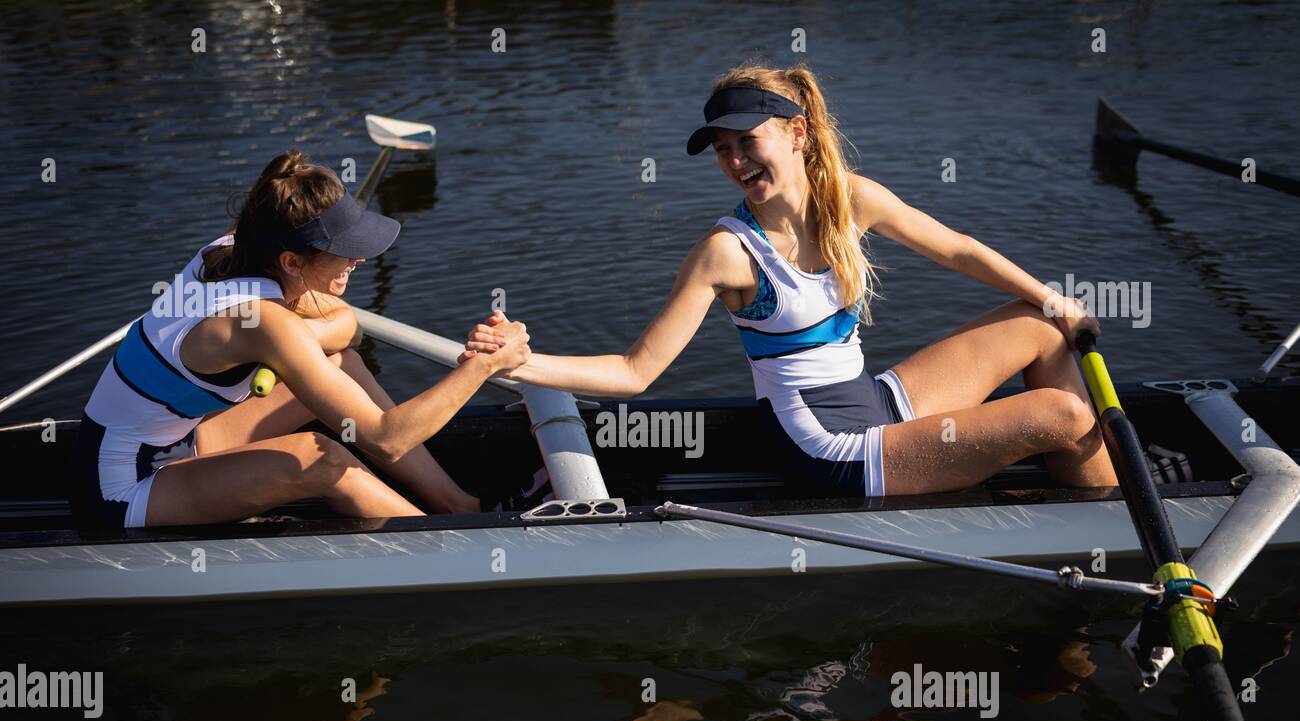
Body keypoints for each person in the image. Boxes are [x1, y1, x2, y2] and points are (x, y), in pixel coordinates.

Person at [462, 64, 1118, 498]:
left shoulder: (852, 199)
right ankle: (1108, 516)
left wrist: (1052, 297)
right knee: (1063, 412)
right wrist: (521, 364)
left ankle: (1089, 491)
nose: (736, 161)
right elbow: (635, 373)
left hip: (873, 400)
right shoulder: (726, 253)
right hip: (826, 447)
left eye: (747, 141)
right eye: (722, 150)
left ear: (796, 133)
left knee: (1037, 326)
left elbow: (959, 250)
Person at [70, 150, 530, 529]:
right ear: (291, 262)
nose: (360, 260)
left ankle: (457, 506)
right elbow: (386, 439)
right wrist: (485, 364)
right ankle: (447, 550)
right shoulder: (265, 321)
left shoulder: (232, 247)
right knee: (322, 458)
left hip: (177, 438)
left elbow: (346, 324)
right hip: (122, 489)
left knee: (339, 364)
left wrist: (305, 340)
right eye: (344, 251)